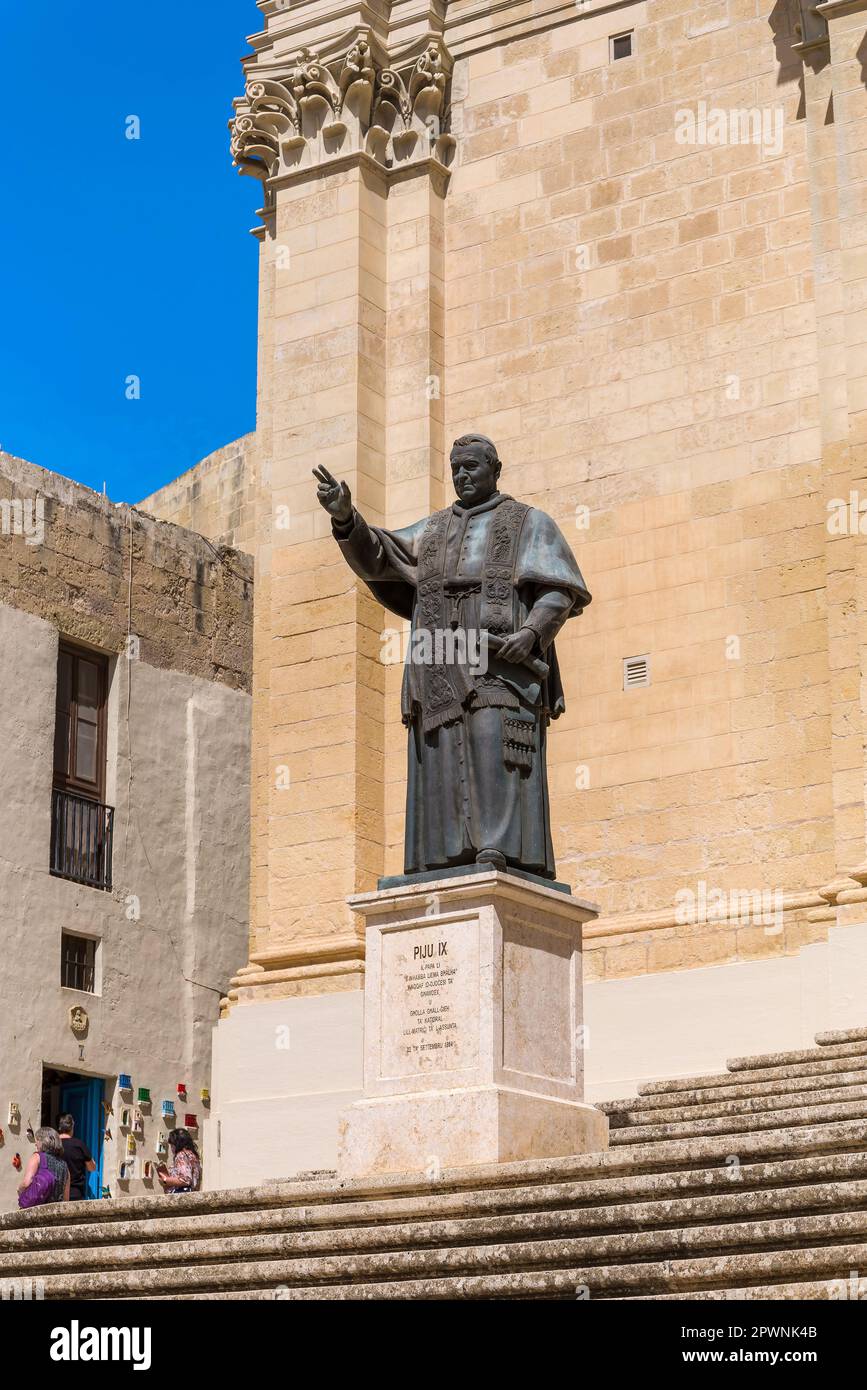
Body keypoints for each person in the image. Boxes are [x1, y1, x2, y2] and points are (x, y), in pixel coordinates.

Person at [315, 434, 591, 880]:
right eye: (456, 468)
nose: (462, 475)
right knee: (442, 752)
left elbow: (559, 590)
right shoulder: (434, 529)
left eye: (472, 468)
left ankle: (496, 847)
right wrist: (347, 519)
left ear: (495, 471)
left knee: (492, 744)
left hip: (499, 662)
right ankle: (441, 856)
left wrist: (532, 632)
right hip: (439, 658)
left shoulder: (529, 523)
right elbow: (380, 555)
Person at [17, 1128, 70, 1208]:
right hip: (55, 1212)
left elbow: (26, 1183)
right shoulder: (65, 1166)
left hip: (37, 1209)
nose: (35, 1144)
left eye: (37, 1140)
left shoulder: (37, 1157)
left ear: (43, 1142)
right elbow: (66, 1199)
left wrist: (19, 1190)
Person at [58, 1114, 97, 1201]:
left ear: (60, 1127)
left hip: (55, 1192)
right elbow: (92, 1168)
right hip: (75, 1193)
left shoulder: (53, 1145)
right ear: (72, 1127)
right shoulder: (79, 1145)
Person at [156, 1129, 201, 1194]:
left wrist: (165, 1180)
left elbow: (185, 1179)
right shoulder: (192, 1155)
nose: (171, 1148)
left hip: (181, 1196)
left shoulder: (181, 1155)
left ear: (177, 1144)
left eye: (172, 1145)